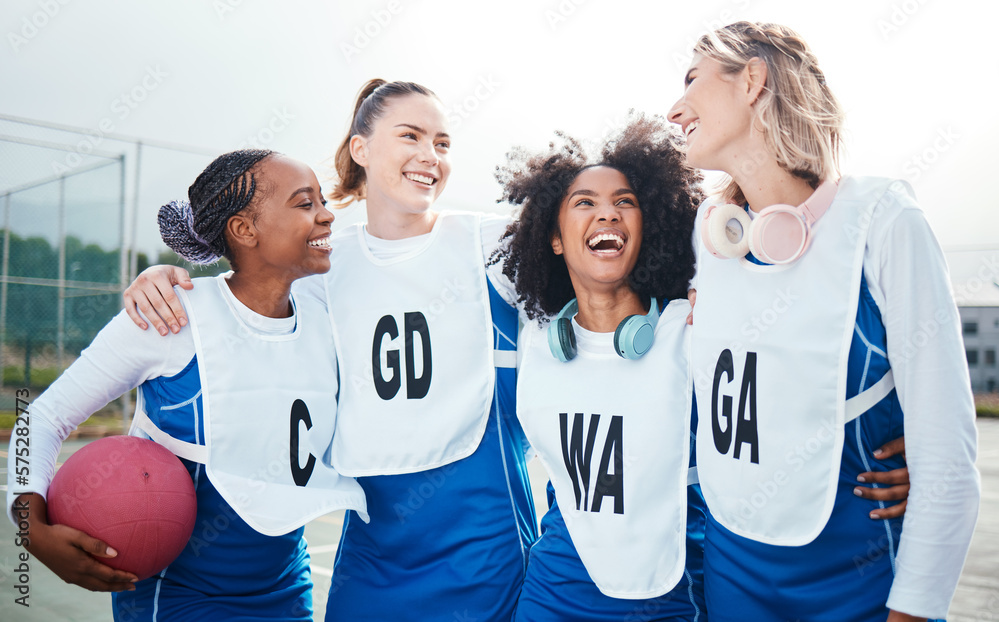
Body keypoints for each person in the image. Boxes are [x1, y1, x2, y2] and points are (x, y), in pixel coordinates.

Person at [120, 80, 537, 621]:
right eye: (410, 135)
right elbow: (240, 293)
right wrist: (161, 277)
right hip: (371, 550)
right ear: (361, 149)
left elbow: (604, 256)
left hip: (485, 548)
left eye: (443, 142)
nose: (429, 156)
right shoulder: (321, 267)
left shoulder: (493, 246)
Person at [667, 21, 980, 621]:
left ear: (753, 80)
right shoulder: (708, 238)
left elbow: (947, 463)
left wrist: (912, 609)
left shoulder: (885, 222)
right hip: (731, 582)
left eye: (691, 80)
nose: (676, 108)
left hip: (857, 592)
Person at [5, 149, 369, 620]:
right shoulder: (172, 318)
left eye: (321, 200)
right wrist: (30, 529)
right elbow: (44, 417)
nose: (326, 215)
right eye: (305, 203)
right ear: (244, 230)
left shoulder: (325, 313)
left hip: (285, 590)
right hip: (179, 597)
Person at [495, 113, 708, 621]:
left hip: (674, 597)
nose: (607, 215)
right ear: (555, 238)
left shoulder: (694, 329)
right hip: (555, 591)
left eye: (625, 203)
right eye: (585, 203)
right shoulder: (536, 340)